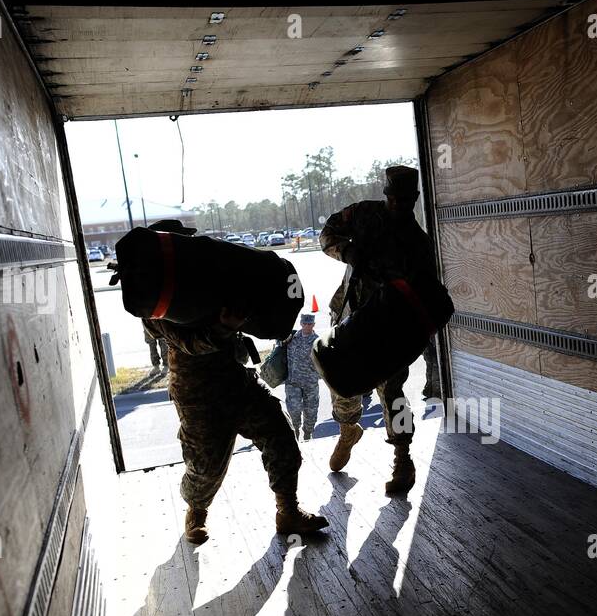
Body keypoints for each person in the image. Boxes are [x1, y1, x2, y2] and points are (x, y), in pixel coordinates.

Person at [137, 218, 328, 543]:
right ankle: (195, 511)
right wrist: (225, 325)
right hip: (196, 392)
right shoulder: (156, 304)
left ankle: (288, 512)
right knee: (206, 466)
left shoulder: (205, 278)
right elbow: (191, 343)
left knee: (279, 436)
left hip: (234, 380)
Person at [320, 165, 443, 495]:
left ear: (415, 199)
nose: (398, 205)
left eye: (405, 201)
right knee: (342, 385)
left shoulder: (418, 244)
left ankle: (403, 458)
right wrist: (347, 252)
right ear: (385, 196)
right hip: (349, 316)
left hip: (388, 330)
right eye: (393, 199)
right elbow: (327, 235)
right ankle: (348, 429)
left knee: (393, 396)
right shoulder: (362, 213)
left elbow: (428, 299)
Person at [283, 313, 320, 440]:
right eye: (305, 323)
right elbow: (278, 341)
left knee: (311, 411)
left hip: (310, 383)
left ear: (313, 325)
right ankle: (295, 433)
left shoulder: (317, 341)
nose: (307, 326)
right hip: (293, 382)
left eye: (310, 324)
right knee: (294, 410)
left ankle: (308, 434)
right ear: (301, 324)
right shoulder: (292, 338)